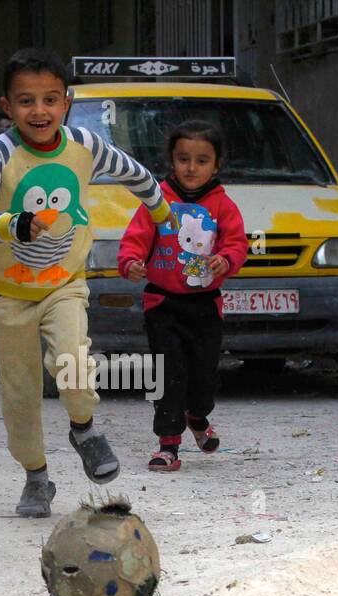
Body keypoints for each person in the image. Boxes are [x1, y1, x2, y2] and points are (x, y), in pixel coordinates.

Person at [0, 47, 173, 517]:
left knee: (73, 361)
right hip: (7, 296)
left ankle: (85, 429)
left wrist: (161, 211)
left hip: (64, 284)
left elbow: (135, 173)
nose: (40, 111)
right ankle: (36, 477)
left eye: (50, 99)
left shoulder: (84, 145)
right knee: (19, 395)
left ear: (66, 102)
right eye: (26, 101)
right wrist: (11, 224)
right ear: (7, 106)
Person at [118, 120, 247, 471]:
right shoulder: (156, 200)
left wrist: (226, 260)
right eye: (183, 158)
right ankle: (168, 446)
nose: (191, 168)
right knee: (168, 373)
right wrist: (129, 262)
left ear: (216, 165)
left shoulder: (223, 205)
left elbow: (237, 244)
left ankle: (198, 417)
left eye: (202, 160)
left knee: (204, 376)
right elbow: (136, 238)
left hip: (205, 305)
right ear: (171, 160)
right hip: (162, 303)